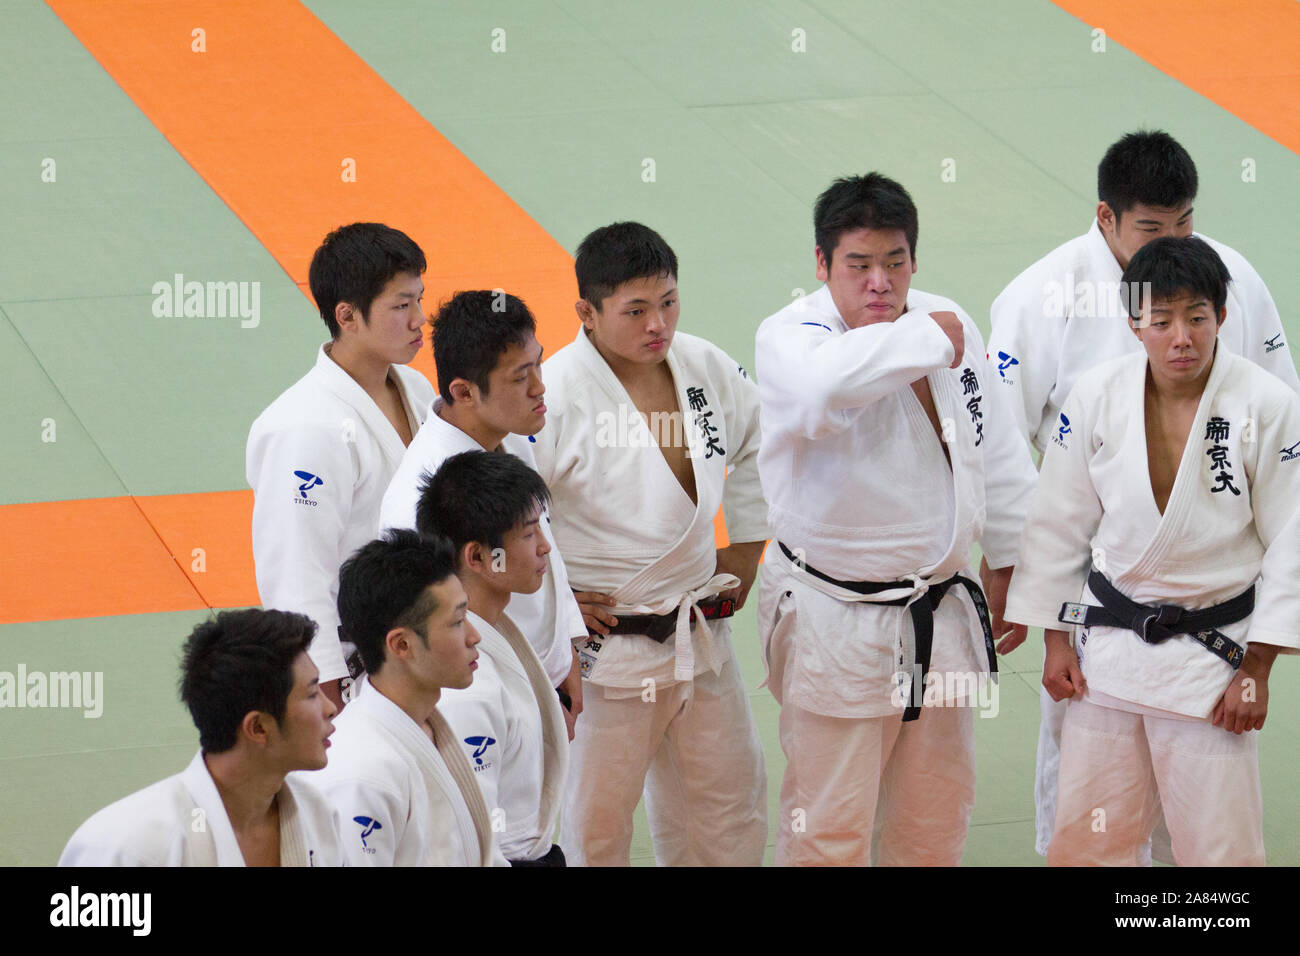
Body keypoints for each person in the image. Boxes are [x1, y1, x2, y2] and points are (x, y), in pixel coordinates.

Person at [986, 130, 1300, 857]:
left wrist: (1259, 663)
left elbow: (1289, 506)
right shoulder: (1050, 306)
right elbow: (1037, 487)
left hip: (1212, 632)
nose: (1179, 337)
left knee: (1212, 842)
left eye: (1183, 221)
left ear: (1219, 314)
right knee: (1089, 828)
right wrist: (1036, 601)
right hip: (1107, 622)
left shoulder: (1238, 293)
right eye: (1160, 322)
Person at [754, 173, 1036, 866]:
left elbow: (997, 449)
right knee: (828, 825)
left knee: (934, 820)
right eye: (858, 265)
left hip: (942, 611)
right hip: (835, 618)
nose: (880, 282)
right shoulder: (789, 337)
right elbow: (827, 387)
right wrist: (927, 339)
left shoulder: (947, 323)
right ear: (822, 266)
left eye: (896, 261)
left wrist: (1011, 561)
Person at [531, 221, 769, 866]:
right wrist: (554, 595)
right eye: (635, 310)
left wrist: (746, 547)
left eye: (667, 302)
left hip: (700, 632)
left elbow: (758, 441)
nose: (657, 323)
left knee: (729, 805)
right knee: (598, 824)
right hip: (608, 653)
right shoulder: (553, 395)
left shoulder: (704, 365)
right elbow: (508, 509)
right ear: (586, 312)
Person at [378, 290, 585, 737]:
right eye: (519, 376)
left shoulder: (507, 438)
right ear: (463, 391)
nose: (539, 386)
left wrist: (567, 647)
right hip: (479, 701)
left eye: (539, 364)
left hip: (539, 674)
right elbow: (424, 633)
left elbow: (545, 545)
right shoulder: (420, 498)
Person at [247, 222, 436, 711]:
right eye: (401, 305)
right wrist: (322, 689)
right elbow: (296, 575)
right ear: (348, 316)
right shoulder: (304, 427)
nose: (420, 319)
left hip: (426, 646)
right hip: (356, 665)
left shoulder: (415, 390)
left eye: (419, 299)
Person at [60, 609, 343, 866]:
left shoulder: (319, 816)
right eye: (311, 694)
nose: (330, 709)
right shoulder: (126, 847)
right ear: (257, 728)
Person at [310, 529, 502, 865]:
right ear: (401, 645)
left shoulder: (428, 726)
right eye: (457, 622)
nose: (474, 636)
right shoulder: (361, 774)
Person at [417, 451, 569, 865]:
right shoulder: (466, 685)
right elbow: (468, 836)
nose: (545, 547)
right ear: (479, 557)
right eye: (528, 534)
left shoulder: (493, 628)